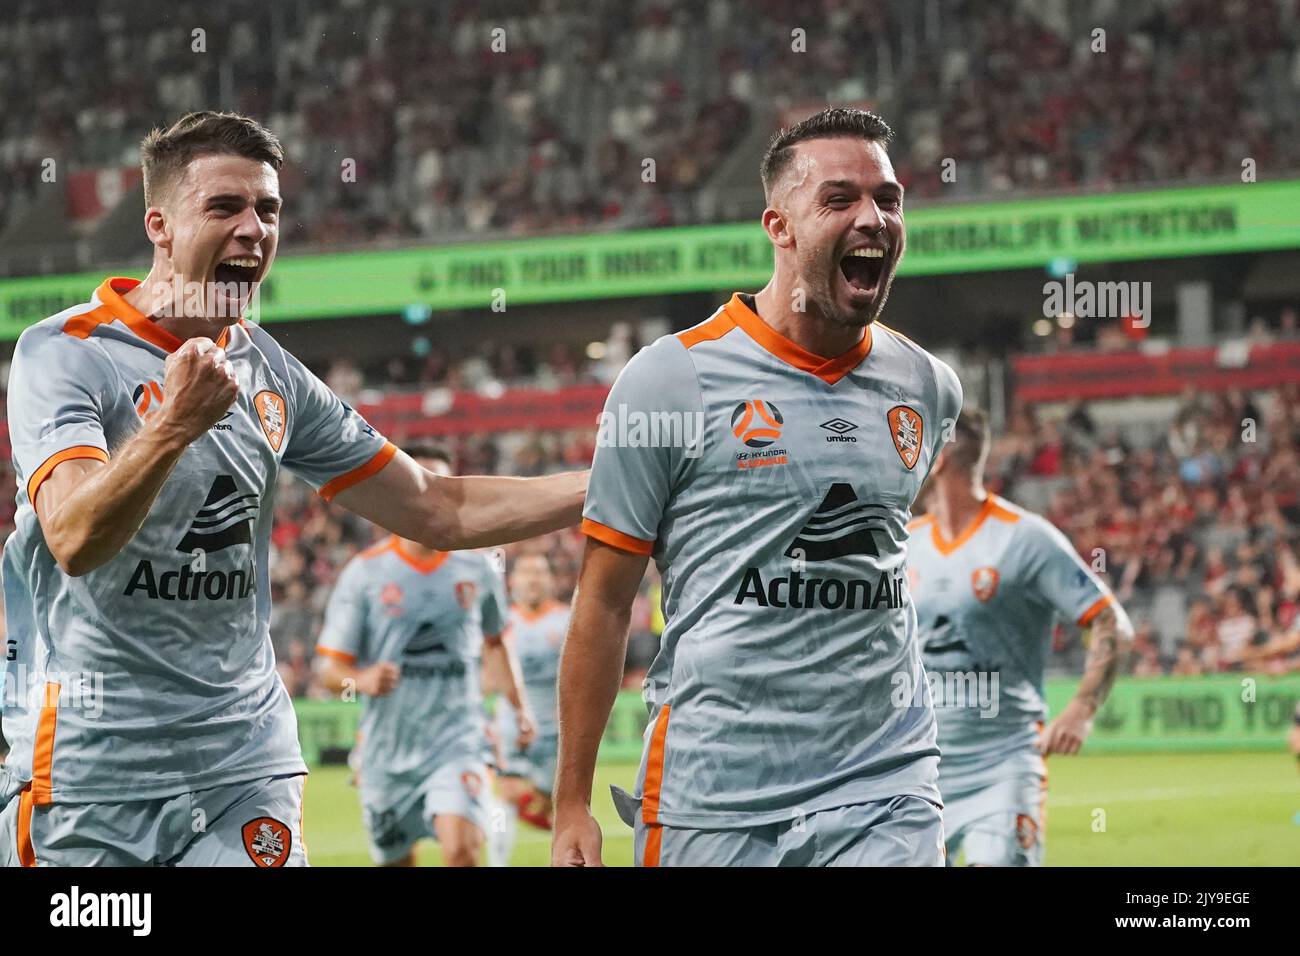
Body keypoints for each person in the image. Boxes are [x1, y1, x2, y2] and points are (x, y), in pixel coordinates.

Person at [0, 111, 585, 867]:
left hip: (244, 760)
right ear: (160, 226)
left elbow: (438, 507)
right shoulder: (65, 353)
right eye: (225, 208)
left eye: (268, 210)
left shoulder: (272, 373)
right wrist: (174, 425)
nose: (254, 229)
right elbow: (74, 539)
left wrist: (608, 483)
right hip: (88, 770)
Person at [552, 107, 962, 867]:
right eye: (840, 200)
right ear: (779, 225)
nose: (874, 218)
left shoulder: (927, 386)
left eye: (889, 199)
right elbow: (606, 602)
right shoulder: (670, 381)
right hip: (714, 792)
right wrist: (572, 801)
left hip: (885, 781)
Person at [908, 407, 1134, 865]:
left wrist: (1082, 709)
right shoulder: (904, 542)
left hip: (1003, 767)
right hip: (916, 771)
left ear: (938, 458)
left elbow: (1110, 623)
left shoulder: (1025, 539)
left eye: (914, 444)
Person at [315, 446, 534, 866]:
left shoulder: (478, 569)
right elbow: (330, 671)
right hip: (388, 753)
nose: (433, 498)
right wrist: (360, 681)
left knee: (462, 850)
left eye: (443, 488)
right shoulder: (364, 574)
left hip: (459, 740)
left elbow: (496, 643)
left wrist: (518, 708)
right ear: (399, 497)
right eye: (422, 487)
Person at [486, 552, 569, 866]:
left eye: (539, 572)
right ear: (513, 581)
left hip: (555, 728)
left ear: (550, 580)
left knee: (553, 804)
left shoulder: (567, 619)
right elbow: (489, 673)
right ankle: (497, 862)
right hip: (512, 724)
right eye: (526, 572)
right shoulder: (501, 622)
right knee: (505, 793)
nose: (533, 579)